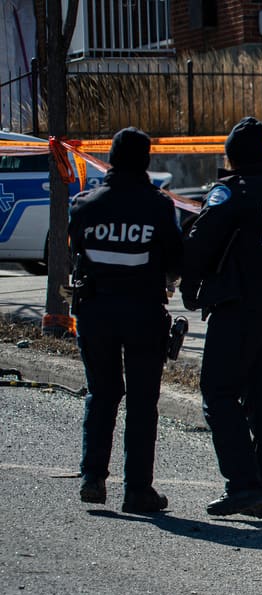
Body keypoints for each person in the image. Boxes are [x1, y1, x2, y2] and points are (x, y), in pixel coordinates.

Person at [181, 117, 262, 518]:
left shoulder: (231, 192)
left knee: (218, 393)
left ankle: (244, 485)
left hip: (242, 305)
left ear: (230, 156)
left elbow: (201, 240)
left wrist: (189, 286)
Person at [70, 127, 183, 513]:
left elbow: (75, 249)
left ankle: (92, 477)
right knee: (141, 402)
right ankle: (137, 490)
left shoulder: (85, 204)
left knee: (101, 393)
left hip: (95, 312)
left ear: (111, 160)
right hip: (143, 314)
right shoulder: (158, 206)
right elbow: (176, 260)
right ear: (146, 161)